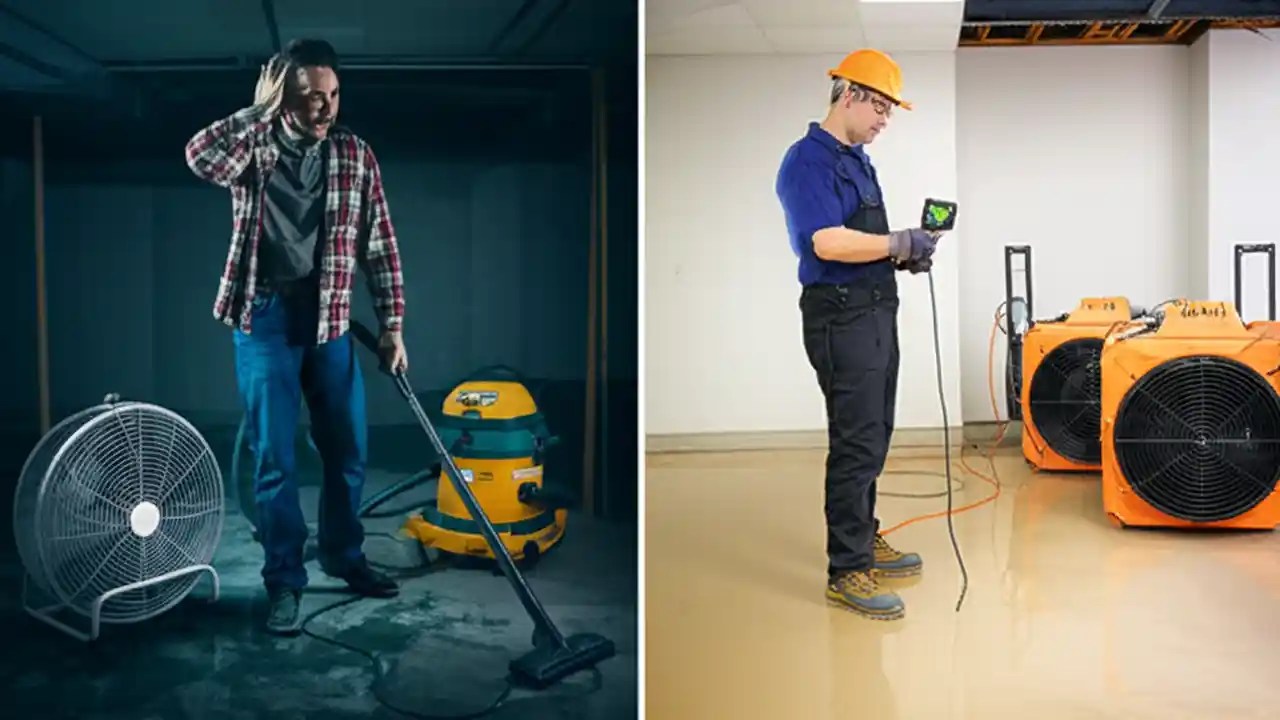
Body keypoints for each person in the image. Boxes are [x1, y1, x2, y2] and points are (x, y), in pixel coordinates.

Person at [185, 38, 407, 635]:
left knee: (348, 452)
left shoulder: (355, 156)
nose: (325, 108)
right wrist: (256, 112)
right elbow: (199, 157)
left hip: (330, 319)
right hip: (265, 319)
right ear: (285, 99)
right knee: (276, 460)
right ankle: (284, 581)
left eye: (333, 95)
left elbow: (379, 246)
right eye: (311, 97)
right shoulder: (252, 148)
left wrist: (393, 326)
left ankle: (346, 556)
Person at [774, 49, 940, 621]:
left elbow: (861, 244)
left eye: (889, 113)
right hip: (840, 317)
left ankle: (864, 537)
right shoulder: (806, 162)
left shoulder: (858, 159)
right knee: (855, 442)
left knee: (876, 434)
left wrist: (902, 256)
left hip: (873, 311)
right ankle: (847, 571)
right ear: (850, 96)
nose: (884, 122)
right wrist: (898, 242)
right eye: (881, 109)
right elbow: (826, 241)